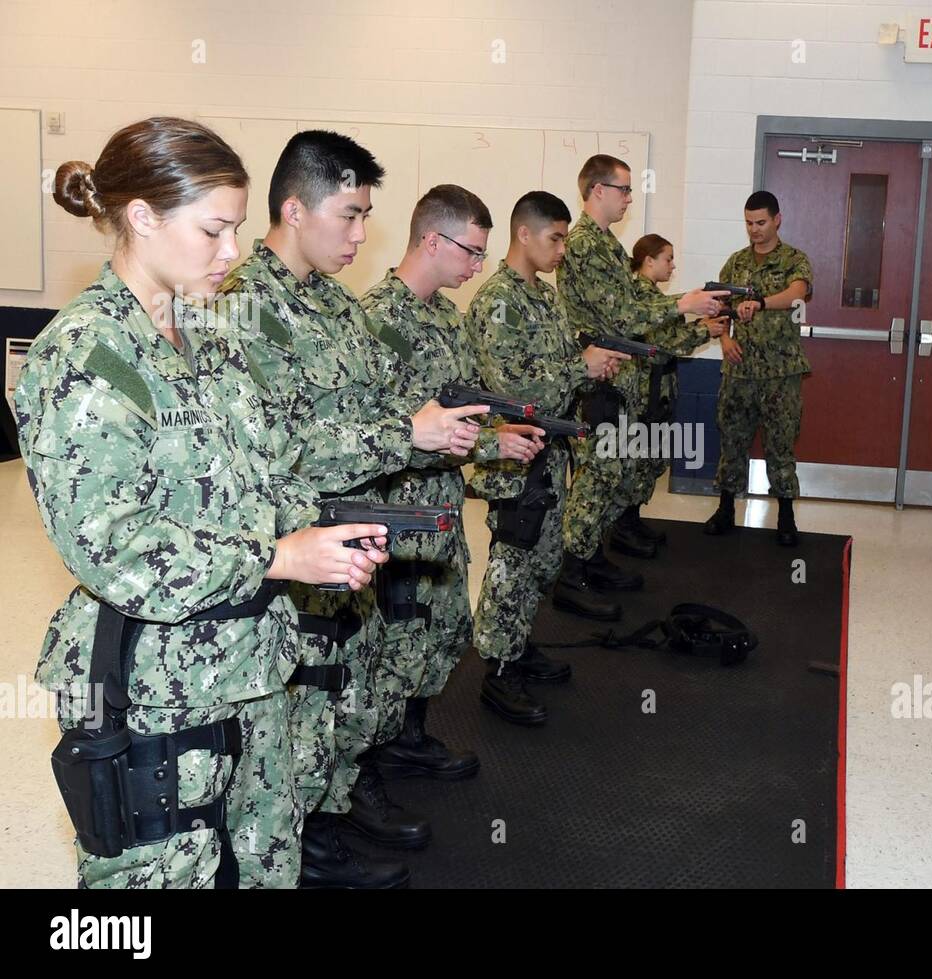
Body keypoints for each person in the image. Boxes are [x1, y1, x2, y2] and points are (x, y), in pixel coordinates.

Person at [15, 117, 390, 888]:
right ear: (145, 218)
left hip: (250, 669)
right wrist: (281, 557)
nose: (232, 253)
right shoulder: (82, 355)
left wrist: (322, 535)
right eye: (214, 230)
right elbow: (114, 547)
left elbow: (265, 469)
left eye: (238, 230)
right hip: (150, 692)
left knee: (262, 864)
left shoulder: (207, 332)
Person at [222, 130, 484, 888]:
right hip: (293, 552)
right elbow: (283, 447)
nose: (362, 234)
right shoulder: (244, 310)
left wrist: (432, 432)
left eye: (368, 214)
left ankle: (327, 827)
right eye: (349, 214)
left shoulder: (333, 305)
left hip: (348, 545)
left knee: (339, 700)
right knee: (290, 724)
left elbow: (371, 411)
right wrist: (406, 431)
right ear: (294, 209)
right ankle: (301, 852)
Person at [360, 185, 547, 776]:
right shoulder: (377, 321)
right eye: (471, 252)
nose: (477, 266)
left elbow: (465, 411)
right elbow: (392, 429)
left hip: (440, 506)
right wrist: (493, 442)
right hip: (396, 511)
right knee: (398, 641)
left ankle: (411, 734)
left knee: (444, 631)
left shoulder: (446, 314)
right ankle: (374, 759)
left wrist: (501, 435)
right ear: (432, 240)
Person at [466, 191, 627, 724]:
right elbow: (512, 391)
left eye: (564, 238)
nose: (563, 249)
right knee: (511, 563)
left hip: (549, 452)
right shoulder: (498, 302)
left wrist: (588, 367)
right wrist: (580, 368)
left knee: (540, 561)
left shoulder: (548, 298)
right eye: (555, 238)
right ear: (524, 235)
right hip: (514, 456)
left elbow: (559, 365)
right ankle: (498, 670)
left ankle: (520, 644)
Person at [556, 155, 726, 614]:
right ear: (596, 191)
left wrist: (685, 305)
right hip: (596, 378)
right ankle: (571, 573)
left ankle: (591, 556)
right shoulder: (587, 245)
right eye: (624, 190)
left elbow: (633, 305)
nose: (630, 198)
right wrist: (684, 304)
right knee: (594, 480)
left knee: (609, 475)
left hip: (614, 376)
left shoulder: (607, 245)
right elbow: (625, 316)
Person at [704, 191, 813, 547]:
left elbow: (797, 294)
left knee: (780, 444)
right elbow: (717, 308)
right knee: (732, 441)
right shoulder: (735, 264)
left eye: (761, 223)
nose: (754, 230)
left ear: (777, 219)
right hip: (740, 371)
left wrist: (762, 302)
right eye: (749, 223)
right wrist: (724, 341)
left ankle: (785, 514)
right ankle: (724, 509)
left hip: (781, 373)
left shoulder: (794, 260)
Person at [627, 234, 728, 516]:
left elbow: (670, 334)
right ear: (649, 261)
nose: (672, 266)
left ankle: (632, 521)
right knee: (640, 460)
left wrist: (702, 323)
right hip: (647, 391)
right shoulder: (643, 296)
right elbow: (665, 343)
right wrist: (704, 330)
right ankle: (626, 523)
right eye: (668, 259)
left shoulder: (653, 296)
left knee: (650, 459)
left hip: (658, 388)